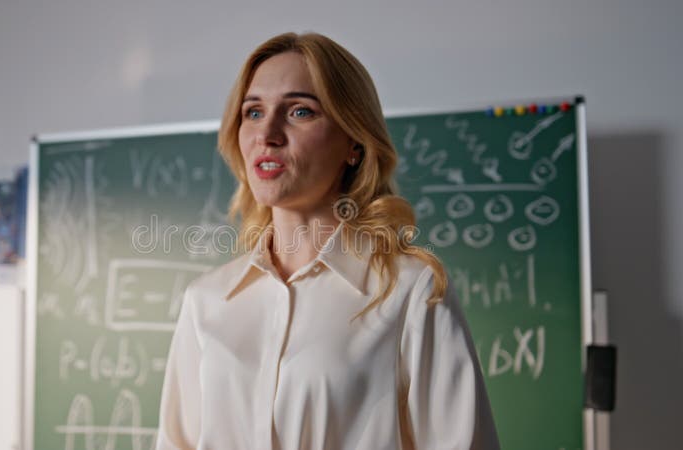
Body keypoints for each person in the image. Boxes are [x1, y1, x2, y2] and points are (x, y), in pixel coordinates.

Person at [156, 32, 499, 450]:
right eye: (253, 112)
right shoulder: (206, 300)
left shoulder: (410, 291)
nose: (268, 133)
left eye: (300, 111)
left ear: (353, 142)